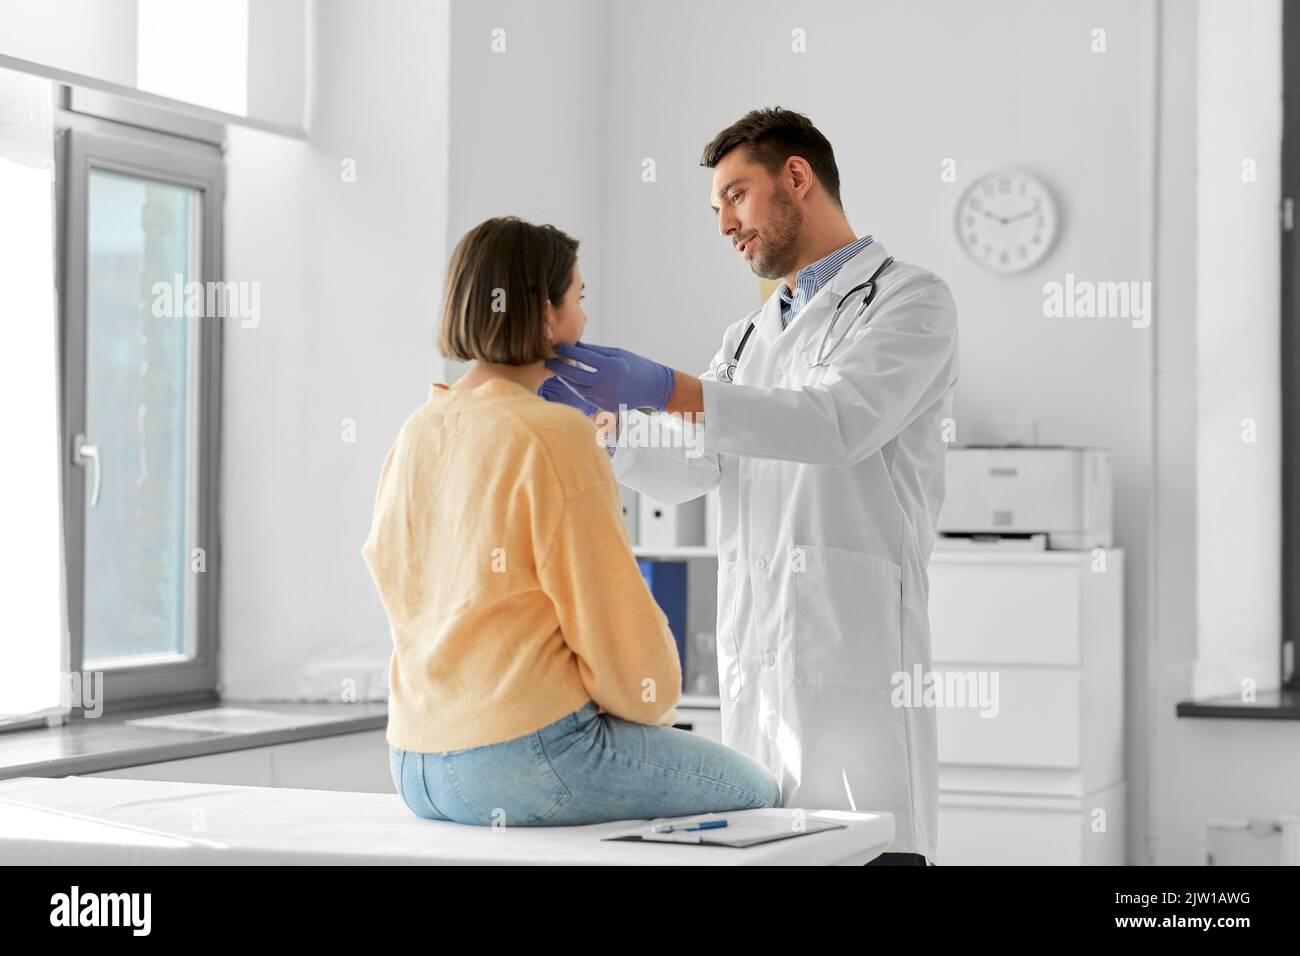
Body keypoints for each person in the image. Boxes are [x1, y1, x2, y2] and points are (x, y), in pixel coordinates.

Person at [543, 108, 959, 865]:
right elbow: (698, 465)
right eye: (716, 209)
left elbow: (838, 424)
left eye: (736, 196)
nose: (726, 225)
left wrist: (670, 388)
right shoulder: (747, 336)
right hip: (757, 665)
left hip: (854, 658)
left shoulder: (910, 301)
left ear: (796, 177)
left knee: (869, 848)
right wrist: (609, 425)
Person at [362, 215, 780, 828]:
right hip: (527, 758)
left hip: (414, 762)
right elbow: (622, 640)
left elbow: (395, 573)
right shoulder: (553, 431)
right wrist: (654, 705)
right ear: (546, 313)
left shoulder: (419, 428)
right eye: (577, 299)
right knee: (760, 791)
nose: (583, 320)